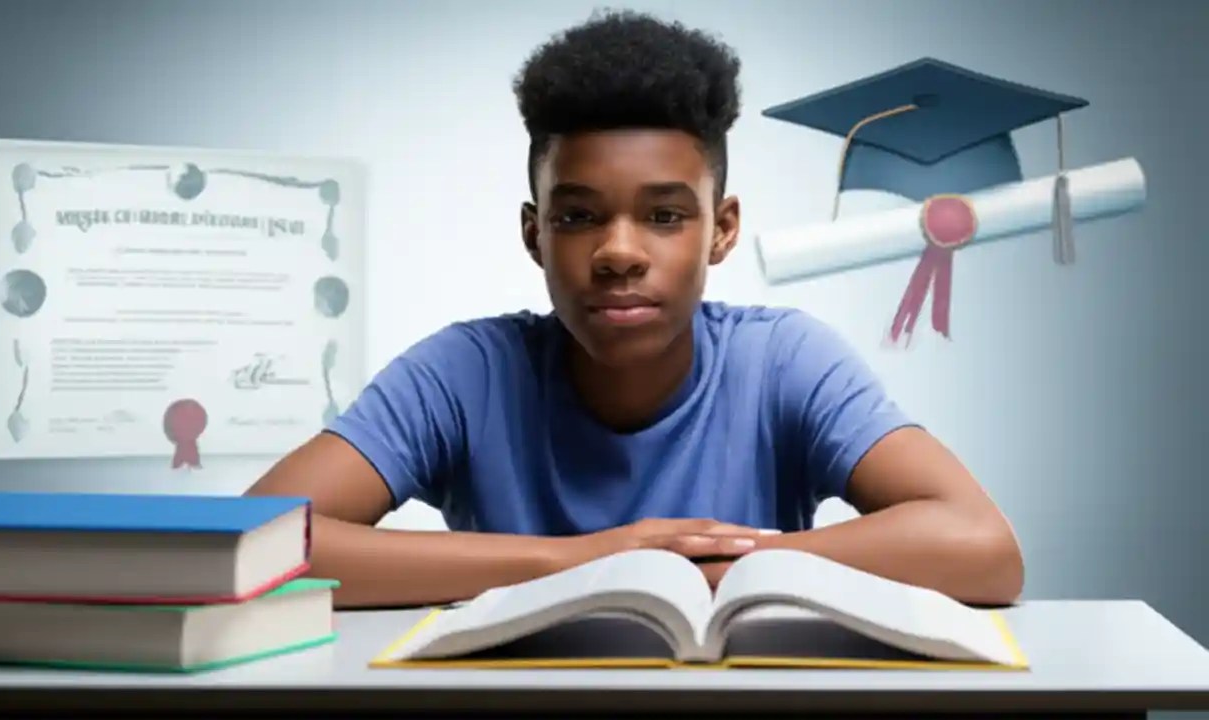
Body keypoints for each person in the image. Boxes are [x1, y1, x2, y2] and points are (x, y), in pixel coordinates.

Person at [245, 10, 1023, 609]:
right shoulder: (464, 373)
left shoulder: (783, 362)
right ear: (535, 234)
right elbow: (250, 546)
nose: (619, 252)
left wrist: (711, 566)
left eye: (665, 216)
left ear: (722, 230)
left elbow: (983, 546)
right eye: (579, 216)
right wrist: (585, 562)